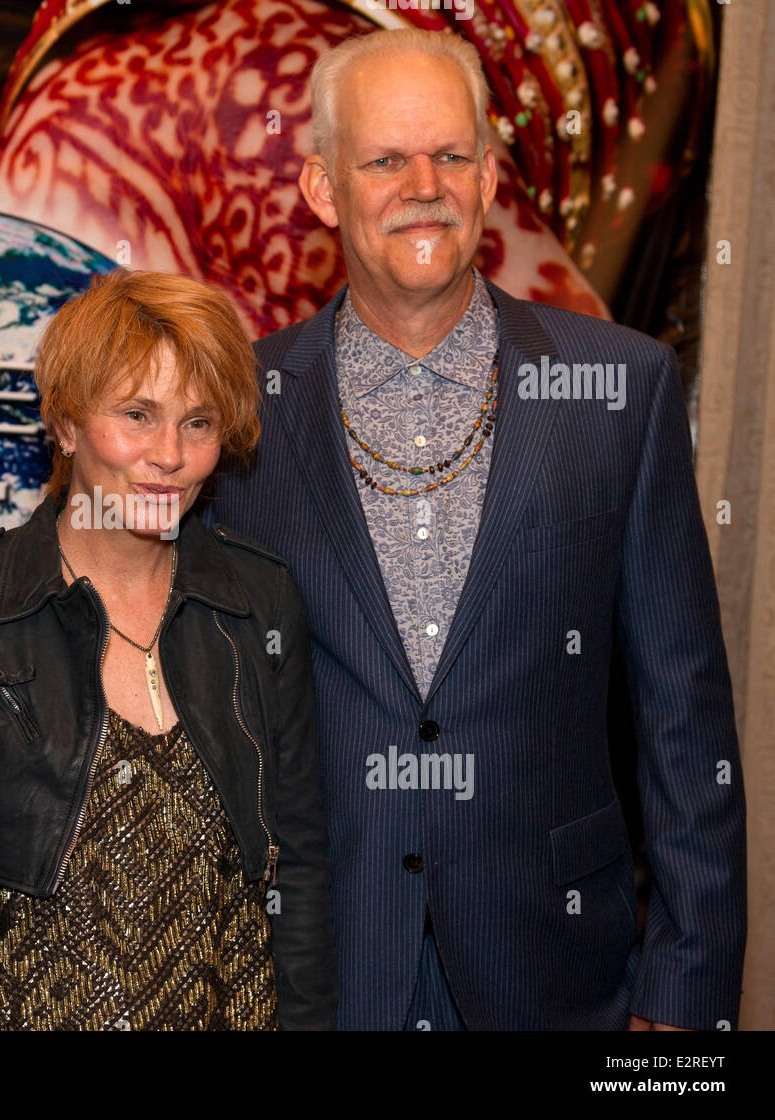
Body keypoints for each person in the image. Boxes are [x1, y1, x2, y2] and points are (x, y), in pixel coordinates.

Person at [212, 29, 745, 1030]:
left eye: (450, 155)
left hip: (556, 972)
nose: (425, 183)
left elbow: (685, 720)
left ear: (491, 177)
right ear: (323, 189)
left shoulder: (618, 392)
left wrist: (685, 1002)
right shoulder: (241, 406)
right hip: (318, 977)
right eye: (383, 160)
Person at [0, 269, 336, 1030]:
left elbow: (301, 869)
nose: (169, 455)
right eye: (137, 414)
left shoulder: (258, 601)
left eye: (199, 423)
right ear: (65, 423)